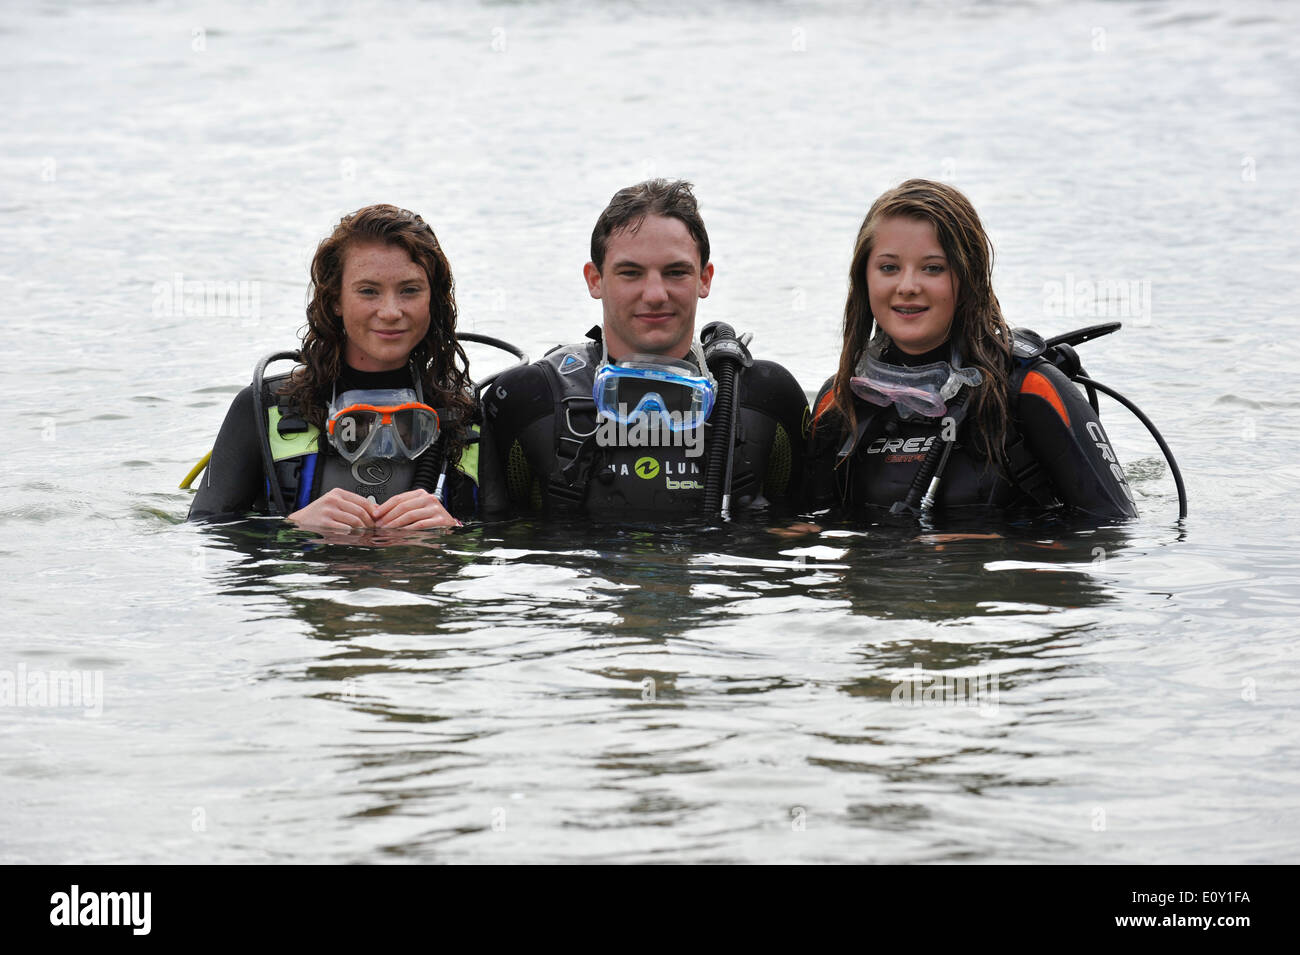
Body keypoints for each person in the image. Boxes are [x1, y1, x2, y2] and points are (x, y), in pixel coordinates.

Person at [806, 179, 1138, 520]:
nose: (907, 286)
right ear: (864, 279)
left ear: (969, 278)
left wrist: (994, 547)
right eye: (889, 267)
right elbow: (810, 525)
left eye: (933, 268)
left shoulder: (1032, 391)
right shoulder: (837, 403)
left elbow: (1114, 530)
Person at [479, 179, 808, 519]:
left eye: (676, 272)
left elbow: (814, 525)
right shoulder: (527, 399)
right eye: (631, 273)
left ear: (705, 279)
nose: (654, 294)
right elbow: (486, 535)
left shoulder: (767, 398)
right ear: (595, 279)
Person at [186, 204, 479, 529]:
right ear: (335, 299)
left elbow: (517, 537)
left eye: (409, 290)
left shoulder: (468, 415)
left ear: (433, 299)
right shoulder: (263, 407)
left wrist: (453, 531)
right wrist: (292, 527)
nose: (391, 311)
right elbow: (203, 531)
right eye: (368, 291)